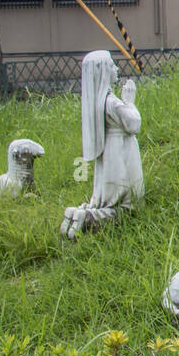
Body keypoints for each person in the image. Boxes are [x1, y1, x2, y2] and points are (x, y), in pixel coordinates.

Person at [62, 50, 143, 239]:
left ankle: (75, 214)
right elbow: (134, 124)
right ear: (104, 71)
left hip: (108, 155)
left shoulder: (99, 102)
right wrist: (130, 102)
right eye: (112, 65)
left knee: (109, 201)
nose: (116, 68)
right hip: (122, 154)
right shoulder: (112, 102)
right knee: (128, 206)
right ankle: (87, 217)